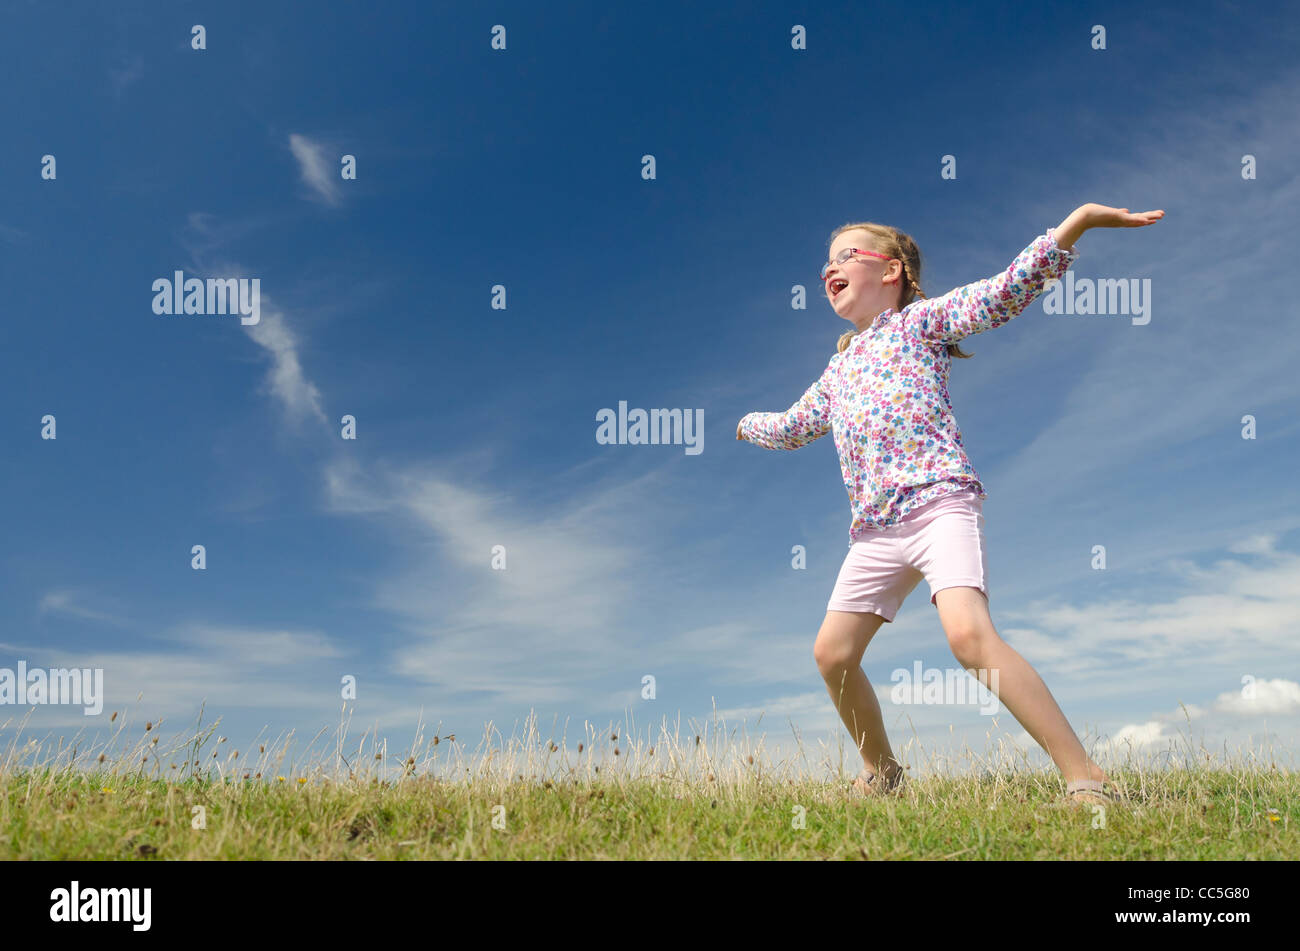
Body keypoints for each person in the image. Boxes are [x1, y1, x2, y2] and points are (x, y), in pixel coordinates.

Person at [736, 204, 1164, 806]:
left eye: (845, 256)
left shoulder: (921, 324)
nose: (829, 269)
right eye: (825, 262)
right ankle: (881, 771)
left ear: (892, 272)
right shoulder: (838, 370)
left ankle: (1086, 778)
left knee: (968, 638)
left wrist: (1077, 225)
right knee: (832, 654)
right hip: (876, 532)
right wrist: (748, 425)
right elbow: (794, 425)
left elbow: (1004, 292)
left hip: (939, 503)